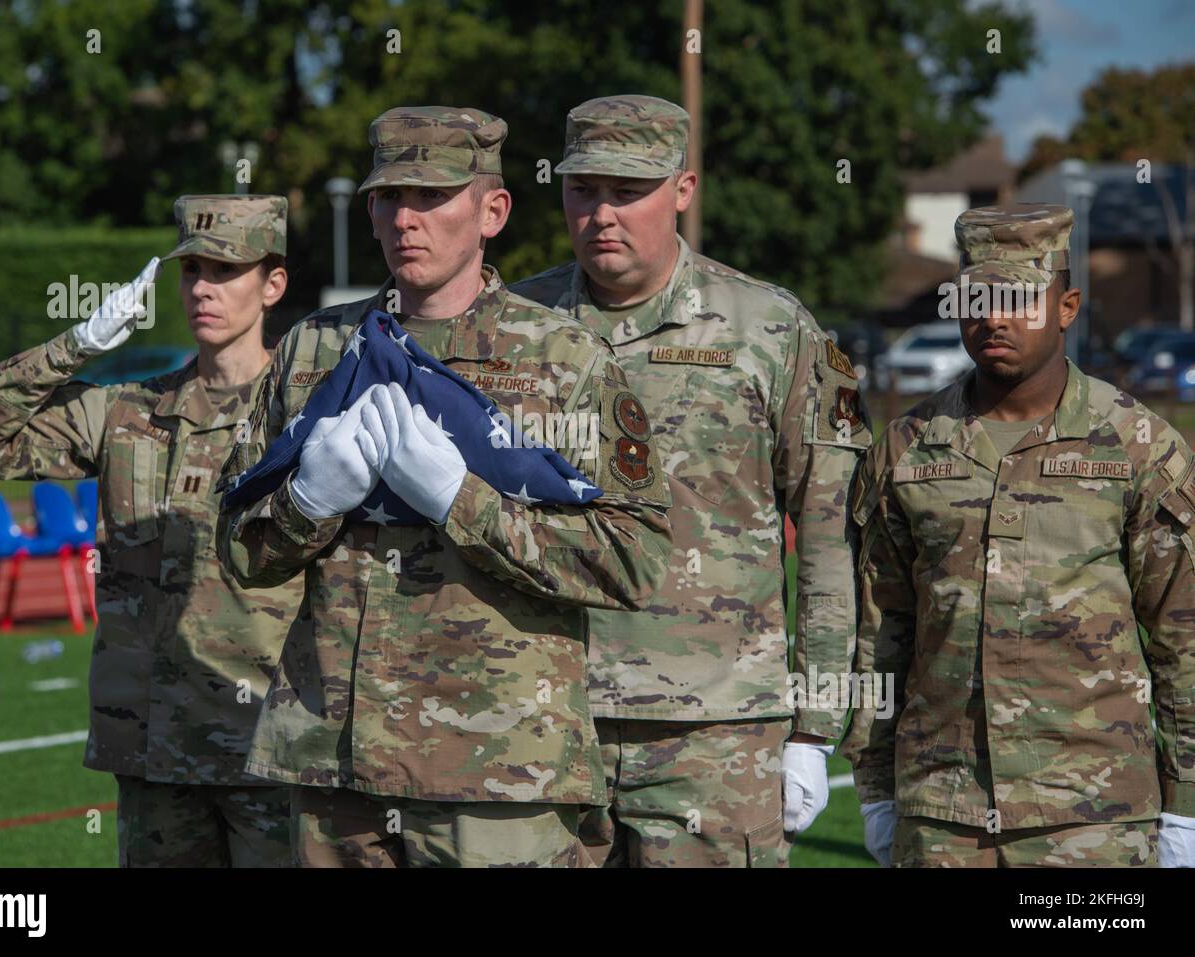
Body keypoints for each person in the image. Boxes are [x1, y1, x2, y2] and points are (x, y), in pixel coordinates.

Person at [216, 106, 673, 868]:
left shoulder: (566, 359)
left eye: (433, 197)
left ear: (492, 210)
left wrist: (462, 499)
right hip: (335, 766)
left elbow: (634, 558)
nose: (407, 218)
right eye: (390, 198)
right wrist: (304, 506)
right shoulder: (313, 351)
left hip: (497, 772)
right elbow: (239, 549)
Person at [512, 95, 870, 866]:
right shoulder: (514, 324)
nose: (602, 214)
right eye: (583, 189)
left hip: (714, 730)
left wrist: (815, 725)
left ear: (682, 188)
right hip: (541, 716)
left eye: (628, 190)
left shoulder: (768, 329)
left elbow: (831, 533)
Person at [0, 194, 302, 867]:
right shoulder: (128, 412)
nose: (202, 287)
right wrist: (74, 344)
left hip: (268, 748)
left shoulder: (305, 415)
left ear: (273, 284)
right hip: (154, 748)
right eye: (192, 268)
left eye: (225, 270)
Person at [842, 203, 1195, 867]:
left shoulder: (1138, 447)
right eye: (977, 296)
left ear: (1066, 305)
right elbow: (879, 636)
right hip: (943, 815)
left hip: (1093, 818)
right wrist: (876, 790)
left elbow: (1185, 639)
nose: (993, 317)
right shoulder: (907, 450)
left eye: (1017, 297)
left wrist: (1187, 806)